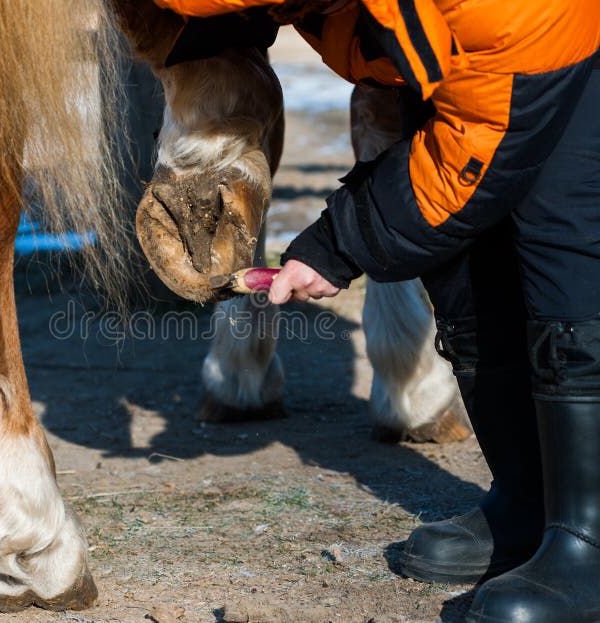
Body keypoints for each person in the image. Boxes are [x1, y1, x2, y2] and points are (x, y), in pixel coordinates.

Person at [153, 1, 600, 621]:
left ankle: (589, 539)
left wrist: (335, 246)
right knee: (465, 260)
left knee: (566, 248)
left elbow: (462, 163)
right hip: (455, 61)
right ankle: (529, 501)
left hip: (532, 43)